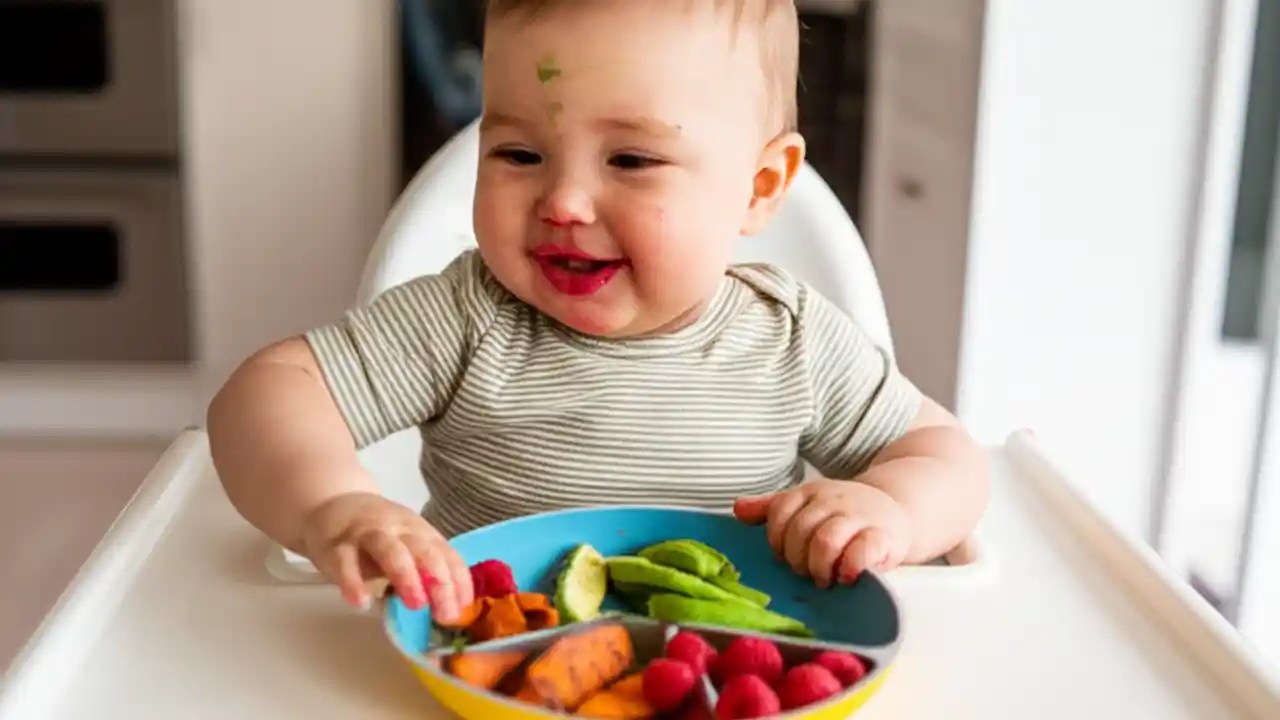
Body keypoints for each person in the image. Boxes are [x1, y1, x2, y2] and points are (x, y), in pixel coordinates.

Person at [206, 0, 988, 624]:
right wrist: (333, 508)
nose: (565, 202)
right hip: (490, 664)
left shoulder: (793, 340)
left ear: (759, 186)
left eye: (632, 160)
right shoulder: (466, 319)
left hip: (725, 670)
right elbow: (269, 393)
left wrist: (892, 509)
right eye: (518, 155)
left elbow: (946, 456)